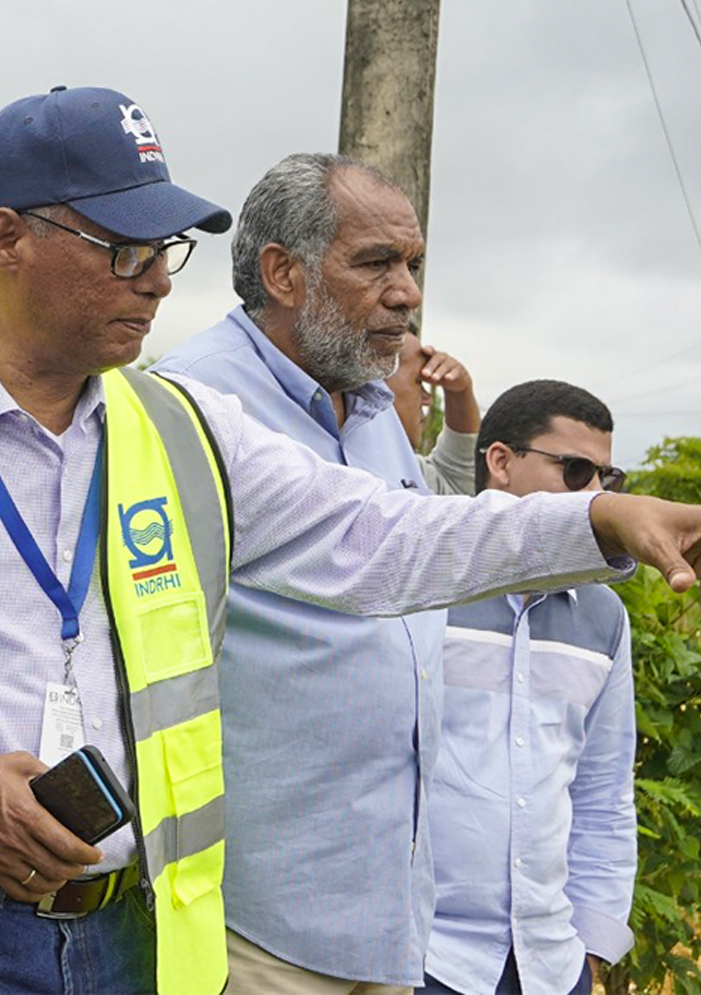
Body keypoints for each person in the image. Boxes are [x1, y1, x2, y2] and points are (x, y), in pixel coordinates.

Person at [0, 96, 701, 995]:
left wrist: (602, 521)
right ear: (7, 241)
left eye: (169, 250)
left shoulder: (180, 433)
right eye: (126, 248)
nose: (158, 280)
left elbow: (388, 540)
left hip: (125, 939)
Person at [154, 151, 447, 992]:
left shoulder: (373, 402)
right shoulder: (195, 406)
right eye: (376, 263)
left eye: (413, 265)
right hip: (253, 922)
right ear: (282, 272)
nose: (408, 293)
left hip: (386, 912)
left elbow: (418, 551)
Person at [421, 381, 637, 995]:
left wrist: (592, 950)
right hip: (427, 959)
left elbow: (603, 788)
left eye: (606, 476)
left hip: (552, 964)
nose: (594, 493)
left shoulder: (603, 617)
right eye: (575, 470)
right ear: (500, 462)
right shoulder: (424, 591)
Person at [389, 326, 481, 496]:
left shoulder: (406, 470)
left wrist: (460, 391)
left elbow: (458, 485)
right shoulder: (330, 467)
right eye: (418, 381)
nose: (427, 398)